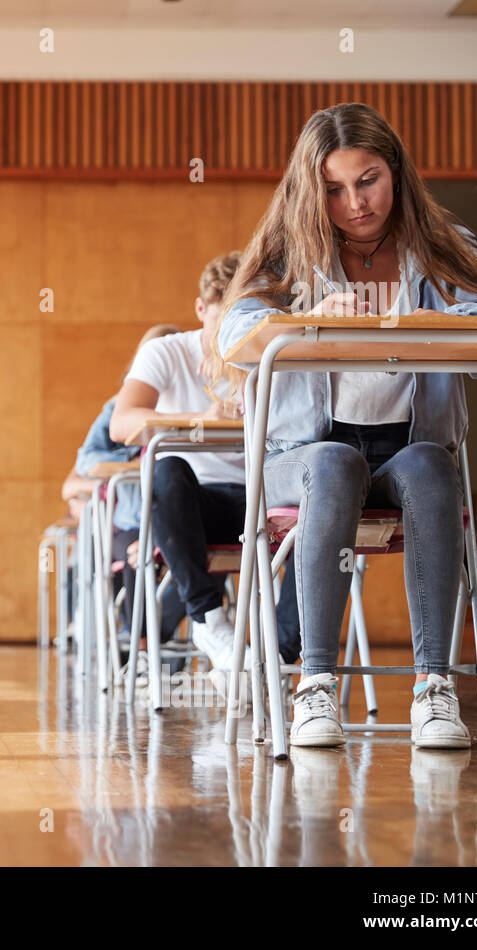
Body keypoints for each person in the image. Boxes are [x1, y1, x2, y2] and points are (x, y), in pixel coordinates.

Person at [214, 102, 477, 749]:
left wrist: (438, 326)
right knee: (333, 462)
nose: (355, 202)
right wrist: (310, 321)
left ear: (397, 174)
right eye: (334, 188)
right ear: (310, 189)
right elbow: (236, 337)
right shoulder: (285, 253)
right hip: (305, 454)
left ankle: (434, 689)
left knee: (435, 465)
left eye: (369, 179)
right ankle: (315, 687)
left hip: (407, 448)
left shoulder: (442, 246)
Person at [108, 255, 300, 696]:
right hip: (195, 507)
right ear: (201, 309)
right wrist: (203, 417)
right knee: (166, 468)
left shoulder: (270, 354)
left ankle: (273, 660)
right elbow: (122, 424)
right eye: (223, 319)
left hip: (264, 500)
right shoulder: (168, 352)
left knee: (319, 493)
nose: (234, 334)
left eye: (245, 318)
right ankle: (210, 620)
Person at [74, 325, 188, 655]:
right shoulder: (117, 409)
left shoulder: (191, 402)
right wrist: (135, 459)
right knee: (138, 552)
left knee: (197, 558)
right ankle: (139, 649)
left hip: (178, 515)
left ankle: (153, 640)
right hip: (130, 523)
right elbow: (86, 459)